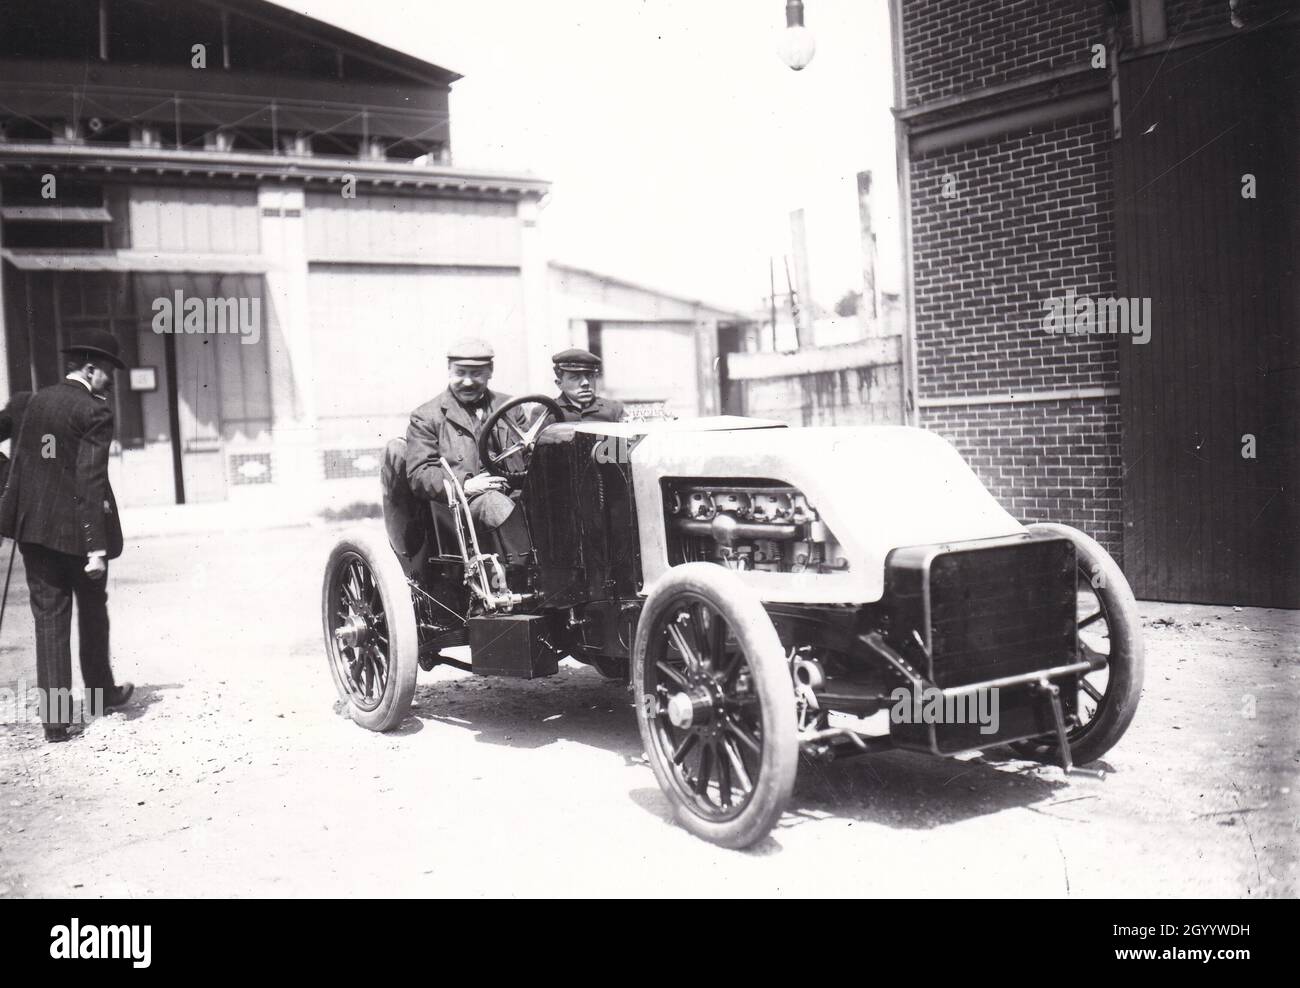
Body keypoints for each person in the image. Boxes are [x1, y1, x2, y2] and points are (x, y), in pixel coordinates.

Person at [0, 330, 133, 743]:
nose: (110, 380)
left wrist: (9, 496)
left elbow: (31, 459)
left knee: (49, 622)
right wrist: (95, 547)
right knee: (93, 611)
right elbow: (90, 480)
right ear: (91, 368)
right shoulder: (94, 411)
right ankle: (100, 695)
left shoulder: (33, 401)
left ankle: (56, 723)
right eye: (108, 371)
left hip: (34, 531)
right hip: (78, 534)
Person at [394, 339, 532, 564]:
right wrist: (466, 485)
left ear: (490, 372)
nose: (467, 382)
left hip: (514, 495)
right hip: (462, 506)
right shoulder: (427, 416)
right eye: (460, 373)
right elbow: (420, 474)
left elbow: (529, 456)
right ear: (449, 371)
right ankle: (527, 571)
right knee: (493, 504)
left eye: (476, 373)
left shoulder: (511, 407)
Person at [551, 348, 625, 423]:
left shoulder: (614, 410)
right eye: (575, 377)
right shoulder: (546, 414)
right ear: (559, 384)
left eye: (590, 376)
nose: (585, 383)